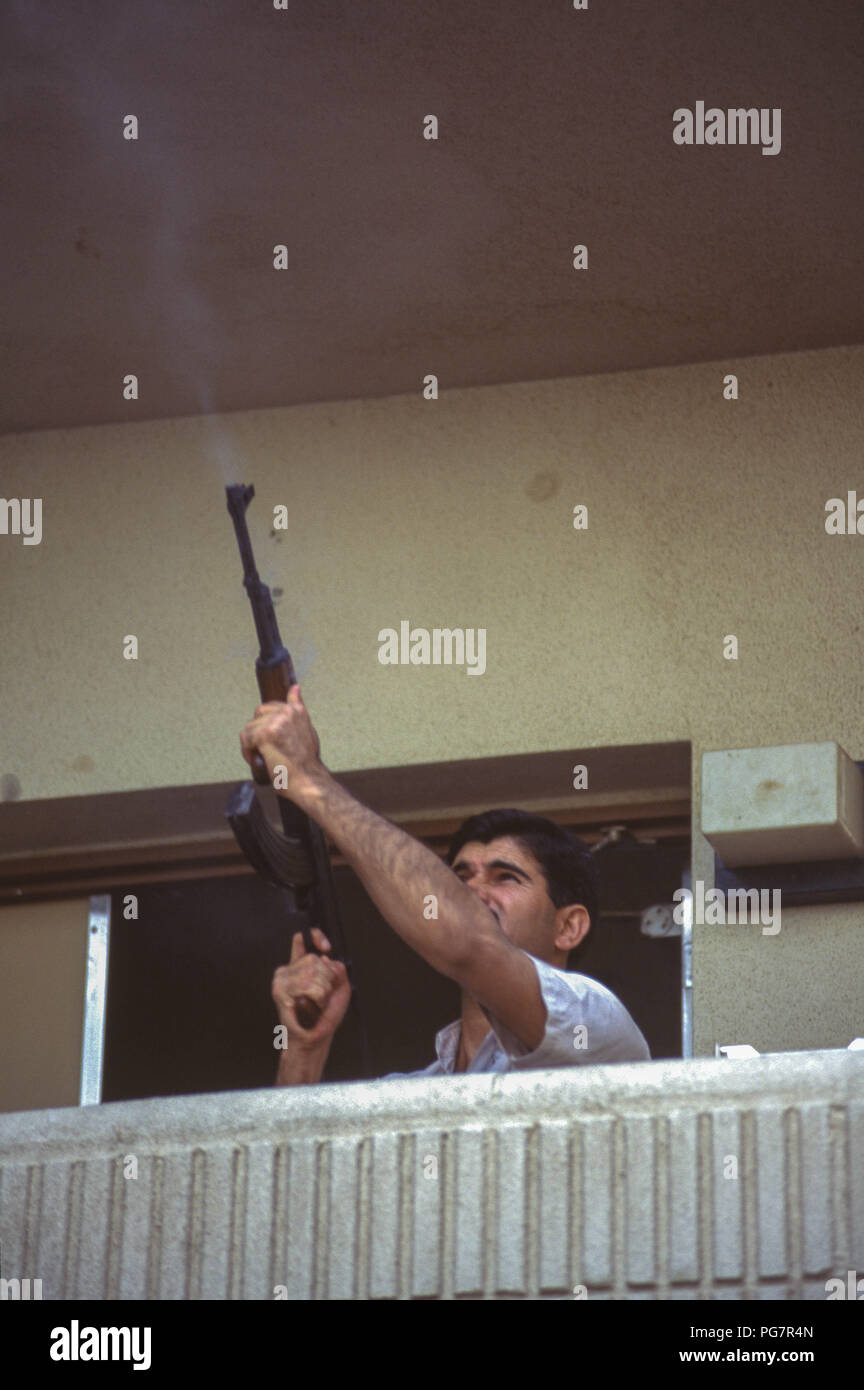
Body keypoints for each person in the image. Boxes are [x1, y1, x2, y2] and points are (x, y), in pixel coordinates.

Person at [239, 687, 650, 1085]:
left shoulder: (595, 1024)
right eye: (461, 877)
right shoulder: (407, 1092)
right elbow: (293, 1154)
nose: (472, 892)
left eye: (506, 877)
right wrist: (303, 1051)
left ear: (569, 927)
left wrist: (308, 778)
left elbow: (471, 945)